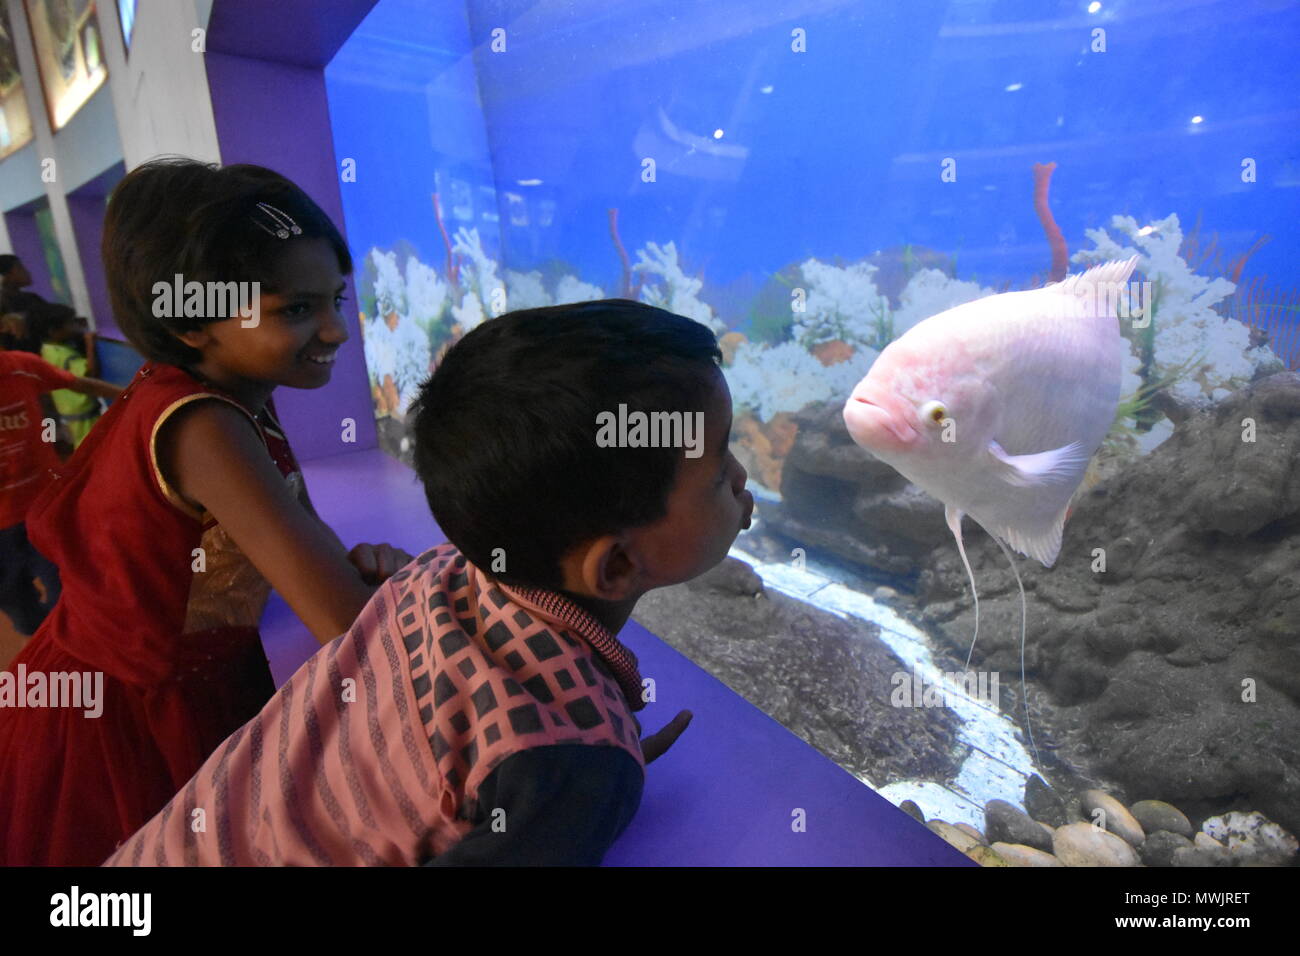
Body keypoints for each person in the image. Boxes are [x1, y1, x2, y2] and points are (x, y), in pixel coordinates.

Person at [105, 299, 753, 866]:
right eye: (718, 465)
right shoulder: (571, 765)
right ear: (613, 568)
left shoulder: (443, 571)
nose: (741, 476)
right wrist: (578, 783)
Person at [0, 158, 413, 866]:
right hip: (133, 718)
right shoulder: (204, 427)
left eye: (336, 300)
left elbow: (307, 550)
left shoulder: (240, 395)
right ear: (192, 324)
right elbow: (346, 625)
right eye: (295, 310)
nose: (337, 331)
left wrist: (354, 570)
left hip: (197, 684)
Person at [0, 325, 121, 636]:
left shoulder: (22, 368)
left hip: (44, 508)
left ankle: (68, 643)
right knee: (20, 609)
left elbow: (80, 384)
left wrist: (132, 397)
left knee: (68, 593)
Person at [36, 303, 105, 448]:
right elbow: (90, 374)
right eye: (70, 323)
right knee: (93, 447)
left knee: (83, 446)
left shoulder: (47, 349)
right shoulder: (64, 355)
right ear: (53, 331)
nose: (74, 327)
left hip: (68, 411)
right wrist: (89, 343)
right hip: (83, 413)